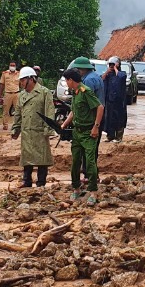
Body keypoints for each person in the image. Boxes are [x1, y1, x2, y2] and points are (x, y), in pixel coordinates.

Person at [62, 68, 103, 202]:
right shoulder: (75, 93)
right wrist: (64, 124)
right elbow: (74, 111)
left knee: (90, 162)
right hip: (77, 132)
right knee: (75, 162)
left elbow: (100, 107)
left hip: (88, 133)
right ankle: (76, 188)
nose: (66, 83)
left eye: (66, 80)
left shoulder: (86, 91)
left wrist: (96, 127)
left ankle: (93, 192)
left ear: (70, 80)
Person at [10, 67, 54, 187]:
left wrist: (48, 129)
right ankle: (27, 181)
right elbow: (18, 113)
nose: (21, 83)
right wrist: (15, 129)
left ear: (31, 79)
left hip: (39, 130)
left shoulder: (44, 92)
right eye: (21, 81)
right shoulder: (22, 95)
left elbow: (49, 112)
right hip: (26, 131)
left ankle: (41, 182)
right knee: (26, 157)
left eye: (23, 80)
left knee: (42, 158)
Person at [101, 56, 128, 142]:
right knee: (109, 118)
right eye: (110, 65)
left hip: (119, 102)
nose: (112, 66)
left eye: (113, 64)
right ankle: (110, 136)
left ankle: (119, 137)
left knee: (119, 119)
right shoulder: (108, 75)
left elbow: (121, 77)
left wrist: (116, 68)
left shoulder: (122, 73)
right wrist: (107, 71)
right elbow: (101, 79)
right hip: (109, 101)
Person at [0, 62, 20, 130]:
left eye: (13, 65)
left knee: (18, 110)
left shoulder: (19, 74)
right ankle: (5, 125)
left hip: (16, 93)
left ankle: (17, 125)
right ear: (9, 66)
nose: (12, 66)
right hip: (8, 94)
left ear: (15, 66)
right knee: (6, 110)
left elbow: (22, 84)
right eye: (11, 65)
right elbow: (2, 84)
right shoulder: (5, 74)